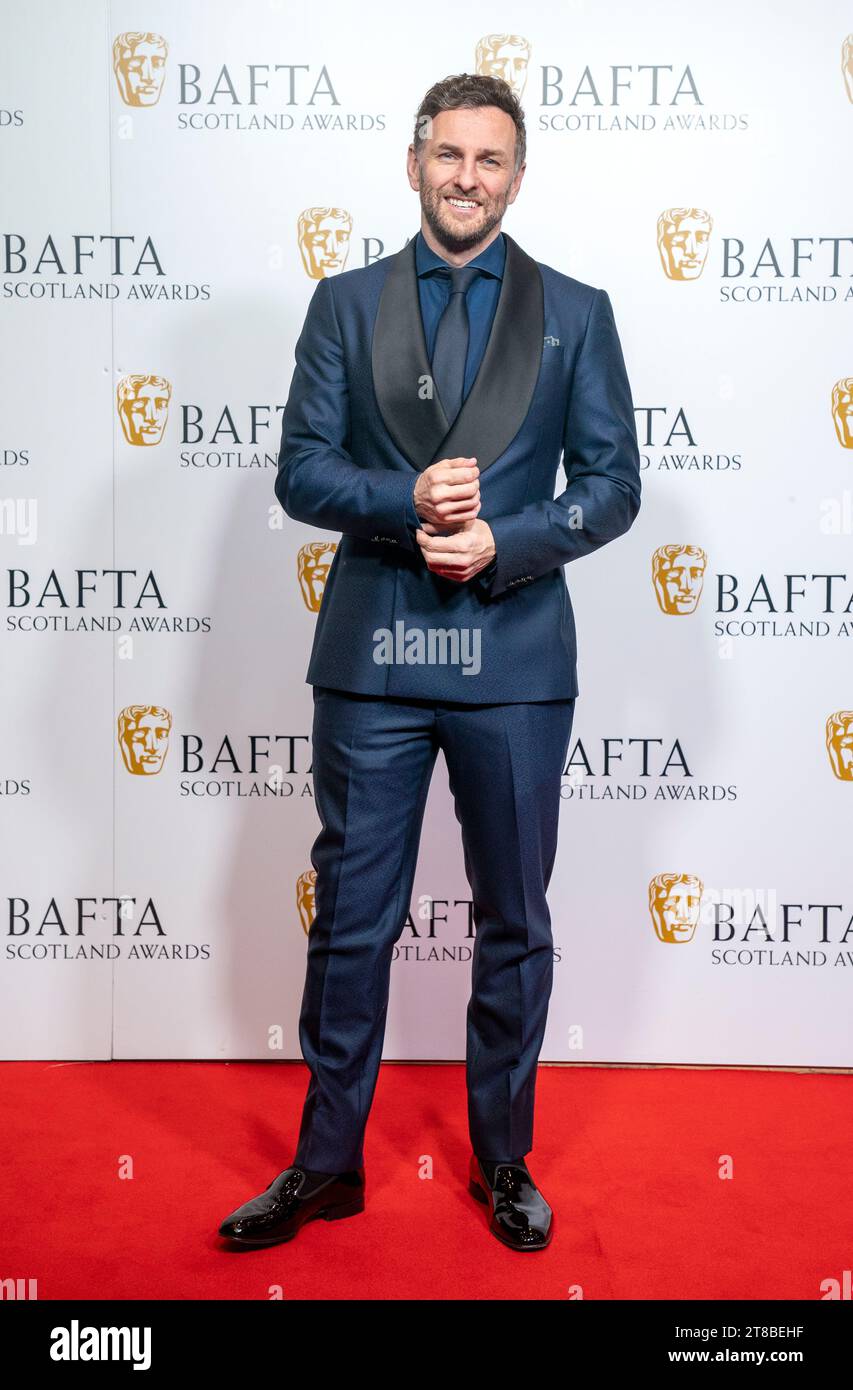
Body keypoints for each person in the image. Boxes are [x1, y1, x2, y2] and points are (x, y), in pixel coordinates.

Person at [219, 71, 641, 1253]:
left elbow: (612, 488)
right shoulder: (346, 304)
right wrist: (402, 499)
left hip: (512, 656)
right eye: (447, 155)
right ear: (412, 164)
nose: (466, 177)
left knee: (513, 917)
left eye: (489, 159)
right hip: (373, 658)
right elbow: (303, 472)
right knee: (352, 921)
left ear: (517, 175)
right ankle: (323, 1165)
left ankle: (504, 1160)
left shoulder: (577, 311)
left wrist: (510, 539)